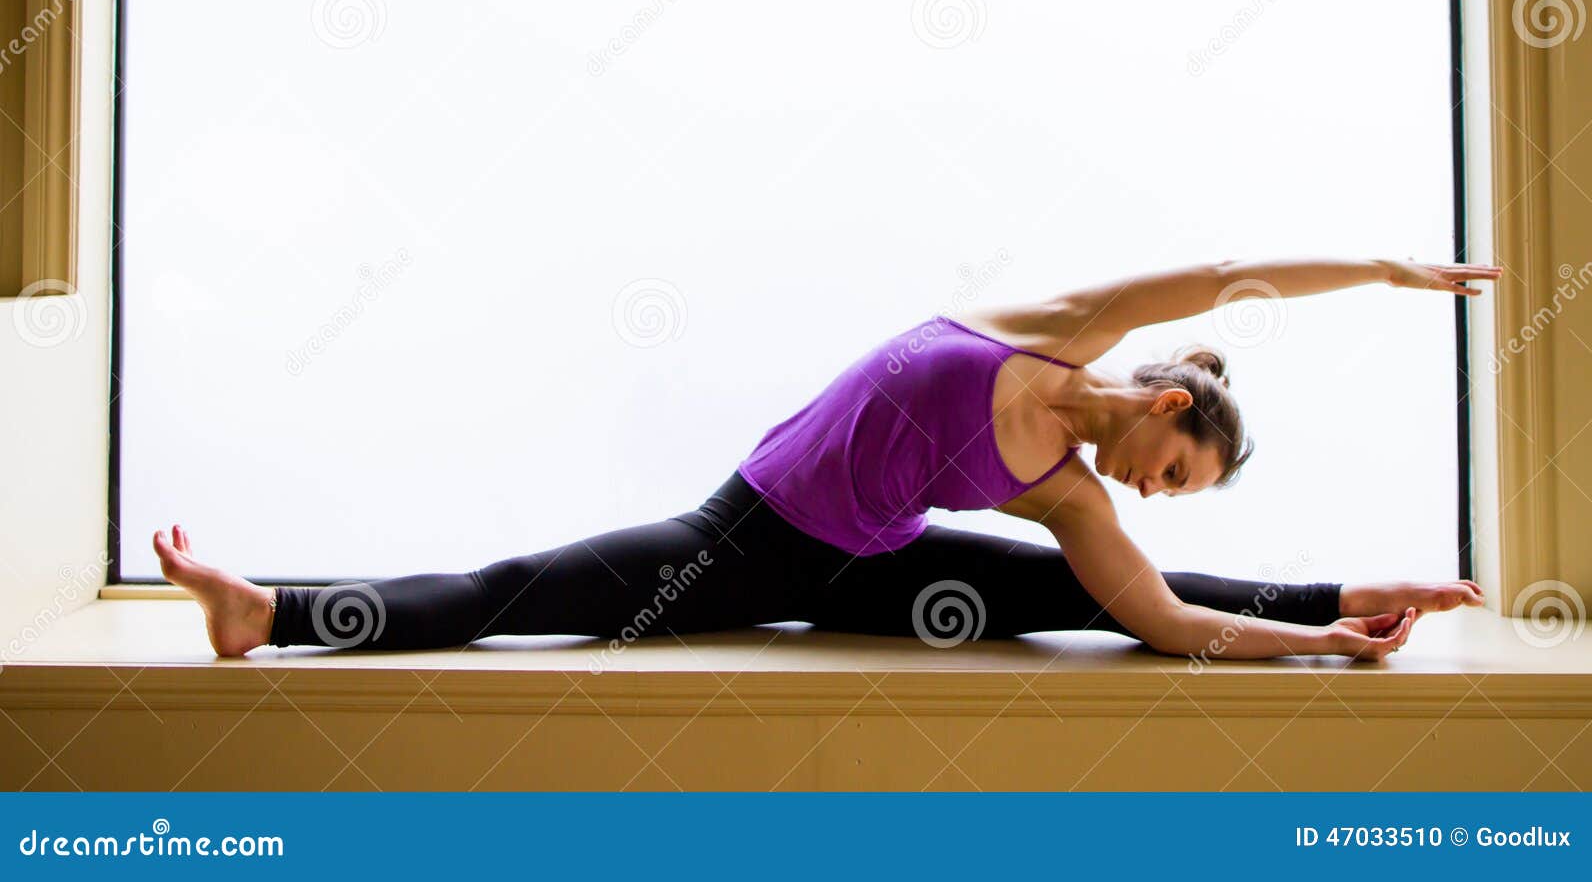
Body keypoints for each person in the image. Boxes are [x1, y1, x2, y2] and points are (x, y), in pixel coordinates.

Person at [154, 256, 1493, 662]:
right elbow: (1232, 271)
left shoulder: (1068, 497)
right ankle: (271, 609)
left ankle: (1353, 590)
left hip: (871, 572)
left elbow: (1166, 619)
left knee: (1082, 599)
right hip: (736, 544)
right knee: (519, 594)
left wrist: (1327, 632)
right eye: (1174, 471)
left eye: (1173, 497)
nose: (1155, 492)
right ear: (1169, 403)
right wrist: (1385, 272)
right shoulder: (1057, 327)